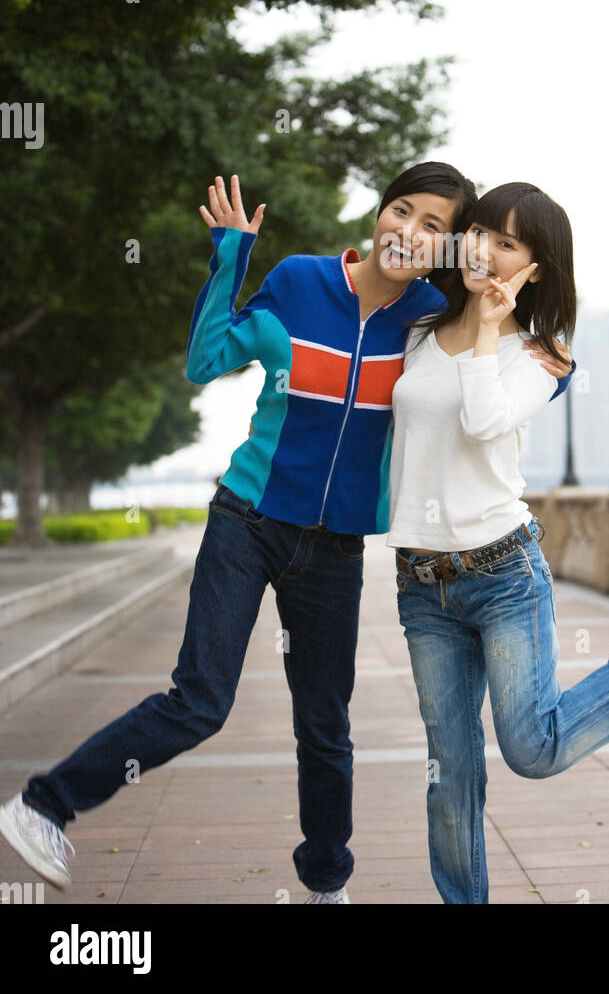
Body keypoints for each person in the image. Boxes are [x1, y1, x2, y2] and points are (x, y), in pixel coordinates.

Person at [0, 163, 573, 904]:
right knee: (200, 701)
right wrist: (230, 256)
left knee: (325, 726)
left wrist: (553, 358)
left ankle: (326, 883)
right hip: (248, 518)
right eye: (401, 210)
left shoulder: (428, 320)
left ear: (448, 247)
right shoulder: (302, 282)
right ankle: (44, 805)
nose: (409, 231)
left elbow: (498, 349)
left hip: (335, 546)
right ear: (379, 212)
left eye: (434, 226)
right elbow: (206, 359)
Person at [384, 181, 609, 905]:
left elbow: (484, 422)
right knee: (449, 772)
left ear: (534, 268)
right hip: (421, 583)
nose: (483, 249)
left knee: (533, 748)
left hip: (502, 574)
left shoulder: (541, 357)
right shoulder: (417, 332)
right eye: (478, 232)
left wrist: (489, 329)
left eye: (506, 243)